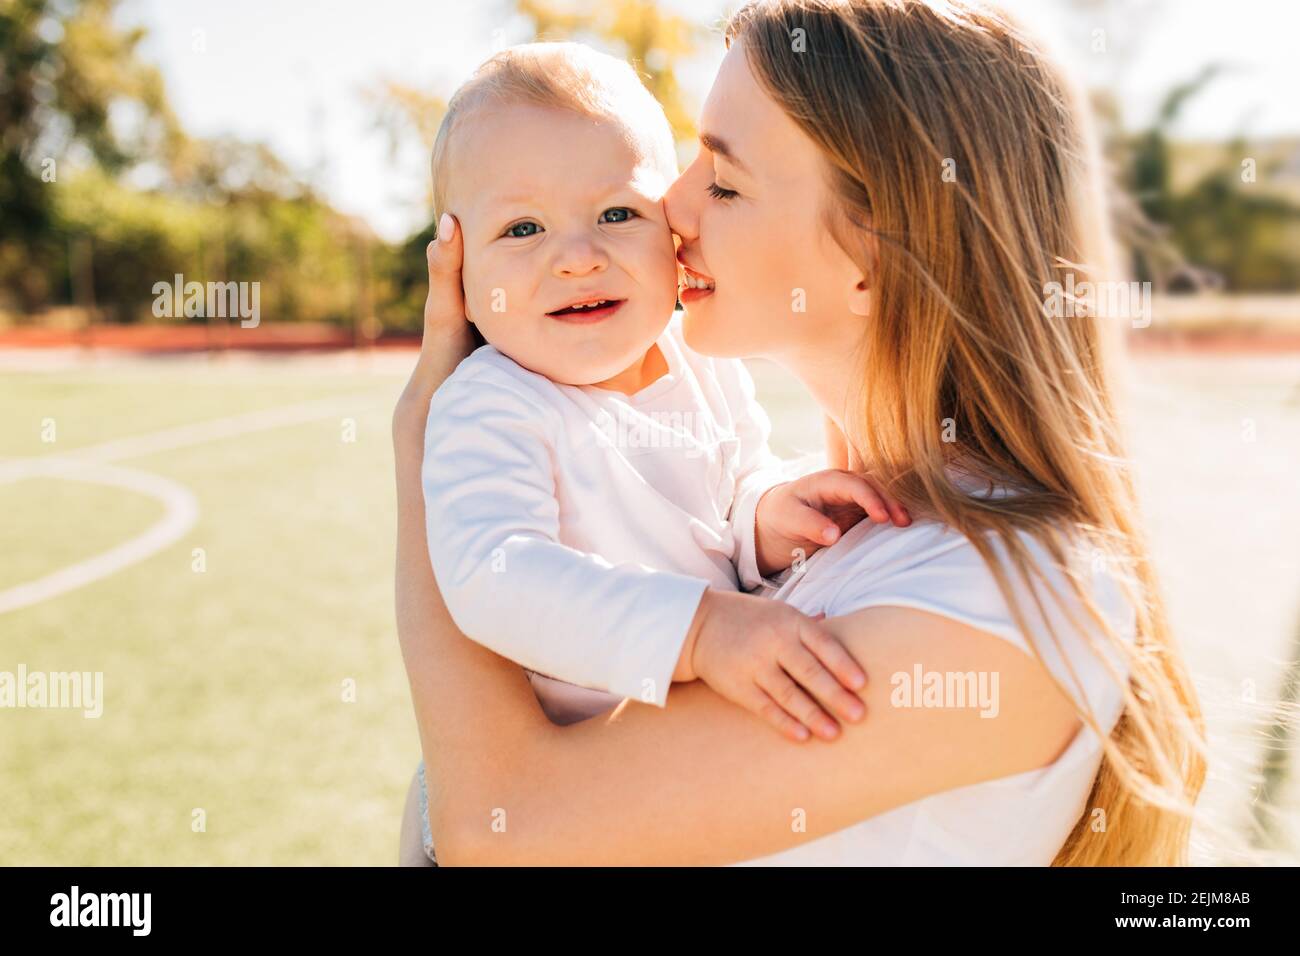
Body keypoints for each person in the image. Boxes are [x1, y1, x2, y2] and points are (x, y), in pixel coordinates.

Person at [394, 0, 1206, 865]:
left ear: (873, 256)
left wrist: (420, 444)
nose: (670, 204)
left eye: (725, 178)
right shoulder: (859, 524)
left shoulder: (1011, 602)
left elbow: (500, 826)